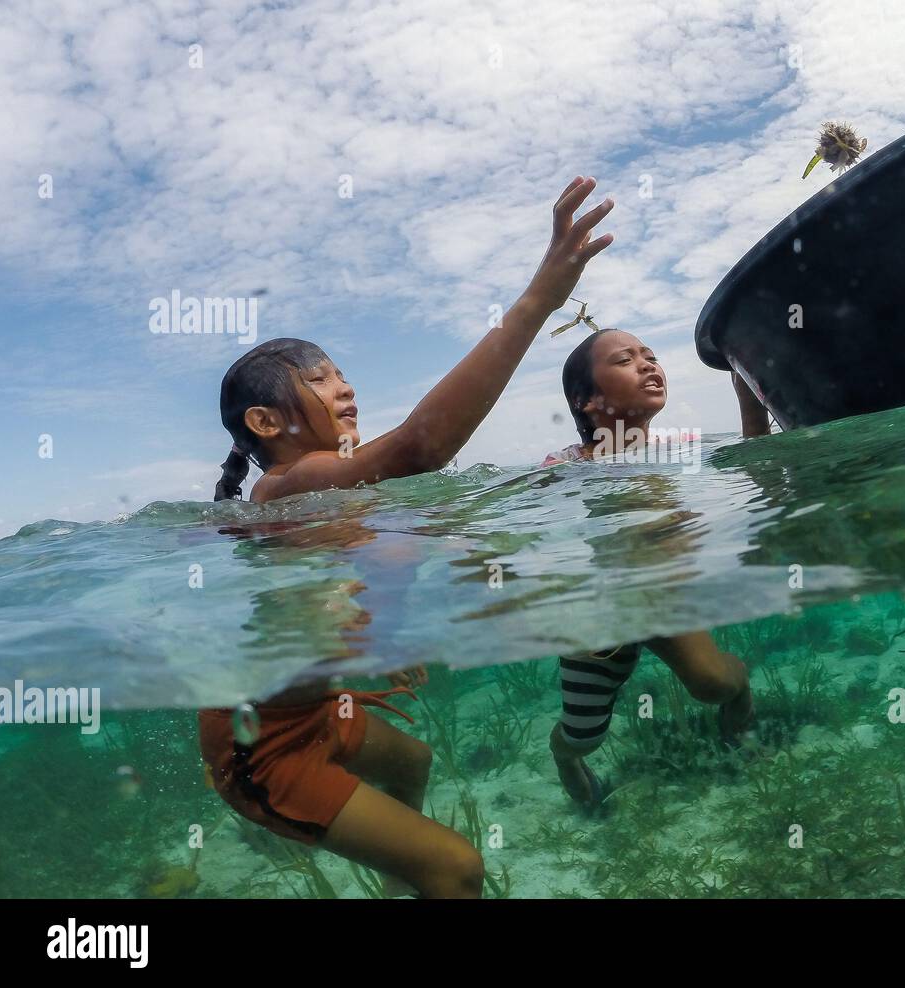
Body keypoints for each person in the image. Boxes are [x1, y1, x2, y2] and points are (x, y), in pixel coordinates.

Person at [202, 176, 615, 897]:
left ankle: (403, 882)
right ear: (266, 424)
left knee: (412, 763)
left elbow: (357, 569)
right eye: (321, 379)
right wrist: (537, 302)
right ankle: (425, 873)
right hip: (258, 744)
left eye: (343, 375)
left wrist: (382, 641)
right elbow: (420, 449)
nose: (345, 388)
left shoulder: (320, 492)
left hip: (317, 708)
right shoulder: (285, 487)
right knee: (459, 865)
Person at [541, 326, 769, 808]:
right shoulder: (570, 462)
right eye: (625, 360)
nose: (648, 364)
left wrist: (750, 404)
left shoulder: (679, 453)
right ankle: (565, 756)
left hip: (668, 593)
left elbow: (758, 470)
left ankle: (741, 690)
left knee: (714, 686)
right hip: (604, 608)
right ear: (587, 400)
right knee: (582, 735)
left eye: (651, 355)